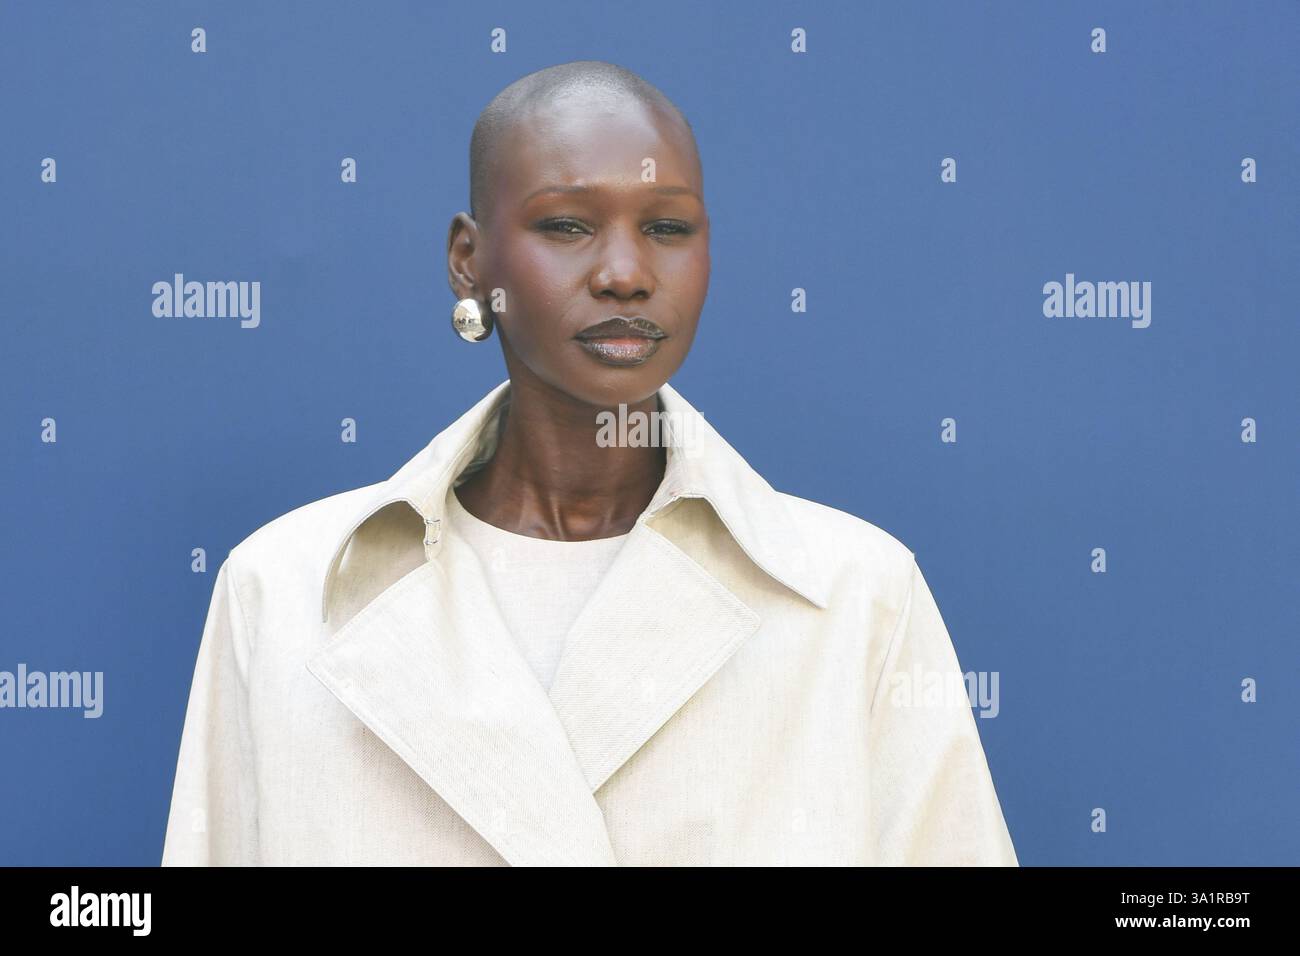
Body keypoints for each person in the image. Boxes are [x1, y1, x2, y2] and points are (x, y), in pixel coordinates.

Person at [161, 60, 1019, 866]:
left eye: (667, 228)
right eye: (567, 225)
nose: (624, 273)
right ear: (470, 259)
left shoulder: (854, 594)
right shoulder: (284, 591)